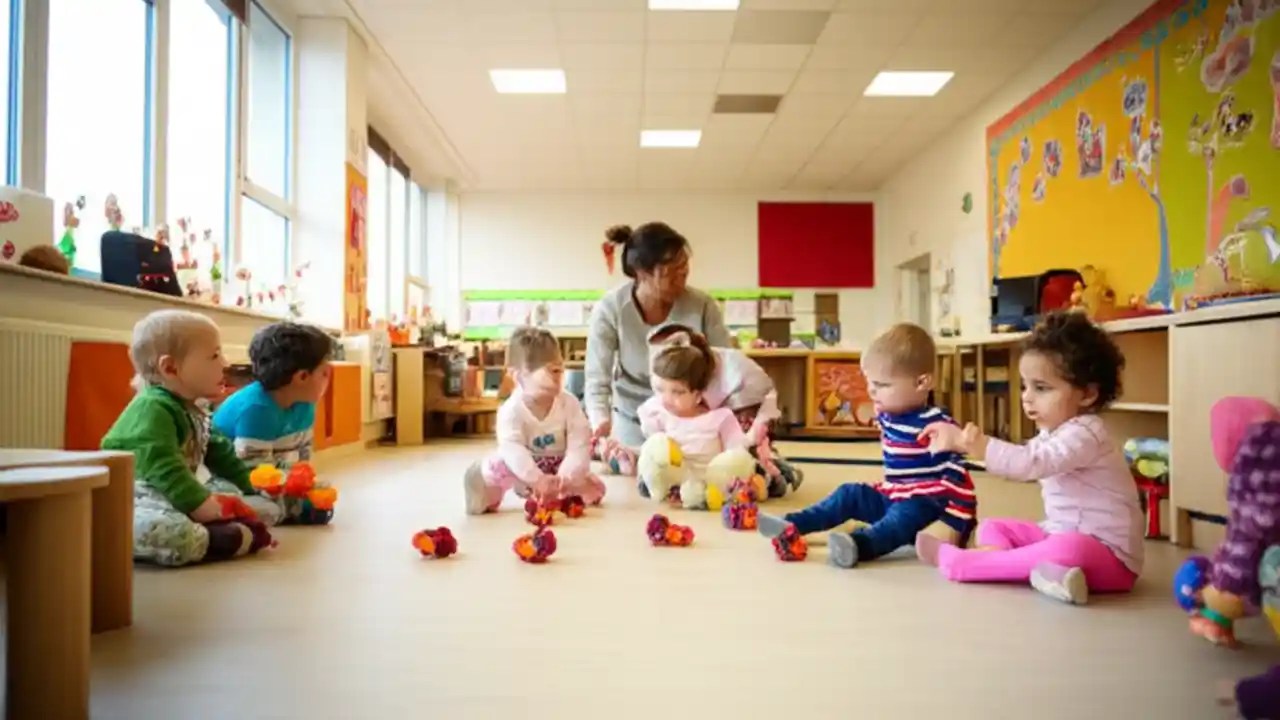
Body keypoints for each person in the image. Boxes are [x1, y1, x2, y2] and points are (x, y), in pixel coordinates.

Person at [915, 311, 1142, 605]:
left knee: (1069, 549)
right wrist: (958, 441)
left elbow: (1030, 463)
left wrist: (975, 444)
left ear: (1087, 394)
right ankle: (1047, 574)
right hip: (1060, 532)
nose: (1026, 397)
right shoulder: (1056, 431)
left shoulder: (1086, 434)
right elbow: (1026, 455)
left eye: (1042, 388)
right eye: (1025, 385)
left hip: (1110, 557)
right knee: (993, 527)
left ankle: (965, 564)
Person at [756, 323, 977, 568]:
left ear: (921, 383)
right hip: (895, 494)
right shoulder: (890, 414)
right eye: (870, 383)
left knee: (901, 517)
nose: (872, 392)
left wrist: (957, 524)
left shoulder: (938, 426)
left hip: (930, 505)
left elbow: (960, 482)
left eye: (882, 385)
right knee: (849, 493)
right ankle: (793, 523)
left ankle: (859, 545)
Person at [102, 310, 282, 567]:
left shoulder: (195, 408)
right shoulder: (151, 407)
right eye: (215, 355)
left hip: (172, 493)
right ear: (171, 367)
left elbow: (222, 455)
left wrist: (253, 487)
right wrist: (201, 505)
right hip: (136, 496)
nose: (225, 363)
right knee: (170, 533)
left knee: (261, 507)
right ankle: (212, 540)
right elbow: (162, 465)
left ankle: (219, 535)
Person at [585, 223, 730, 455]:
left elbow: (727, 369)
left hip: (691, 419)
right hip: (633, 419)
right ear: (642, 273)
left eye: (684, 266)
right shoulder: (610, 308)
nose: (682, 274)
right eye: (671, 270)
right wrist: (599, 423)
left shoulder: (703, 305)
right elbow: (596, 378)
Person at [647, 323, 802, 496]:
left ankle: (771, 472)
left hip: (748, 404)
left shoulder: (709, 373)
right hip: (732, 405)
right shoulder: (686, 372)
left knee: (740, 457)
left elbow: (730, 433)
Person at [464, 327, 605, 514]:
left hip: (558, 468)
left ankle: (549, 491)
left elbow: (579, 444)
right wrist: (536, 479)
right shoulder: (511, 411)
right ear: (517, 375)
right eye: (551, 371)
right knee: (495, 469)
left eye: (560, 370)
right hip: (520, 469)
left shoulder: (569, 403)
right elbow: (513, 449)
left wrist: (565, 478)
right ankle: (491, 482)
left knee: (594, 491)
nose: (558, 378)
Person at [213, 321, 335, 524]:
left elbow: (302, 459)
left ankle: (287, 507)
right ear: (302, 377)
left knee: (318, 493)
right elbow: (252, 474)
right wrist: (291, 490)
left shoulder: (305, 404)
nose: (328, 379)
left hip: (271, 475)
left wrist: (303, 484)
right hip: (233, 479)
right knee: (269, 510)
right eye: (324, 373)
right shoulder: (257, 409)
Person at [636, 342, 750, 506]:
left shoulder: (720, 418)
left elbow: (737, 451)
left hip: (713, 487)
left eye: (678, 392)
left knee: (739, 460)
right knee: (656, 445)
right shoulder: (657, 413)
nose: (666, 399)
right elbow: (654, 452)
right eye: (660, 389)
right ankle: (661, 490)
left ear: (698, 395)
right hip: (675, 486)